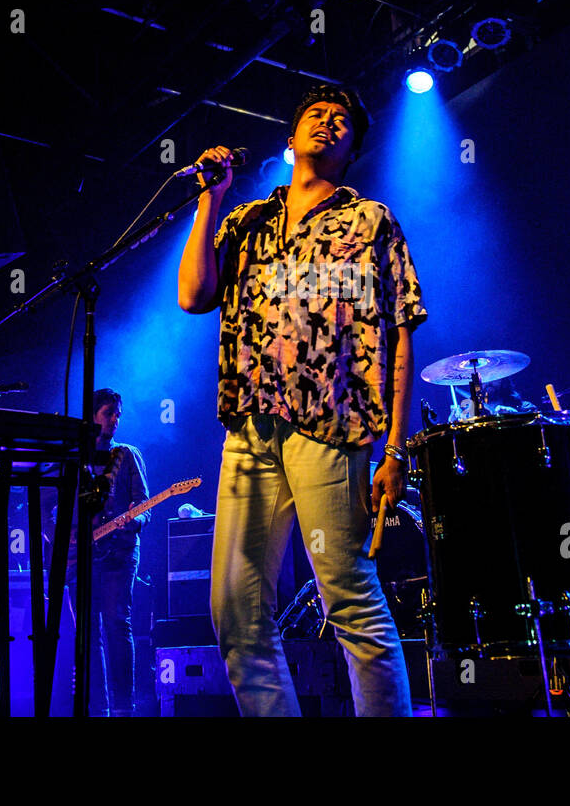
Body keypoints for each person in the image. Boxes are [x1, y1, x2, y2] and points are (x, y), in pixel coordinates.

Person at [177, 84, 426, 716]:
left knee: (347, 598)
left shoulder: (370, 219)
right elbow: (194, 295)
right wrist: (212, 200)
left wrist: (395, 446)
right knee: (235, 609)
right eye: (316, 115)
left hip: (331, 425)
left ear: (351, 150)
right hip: (249, 426)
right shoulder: (246, 220)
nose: (329, 122)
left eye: (342, 121)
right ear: (290, 140)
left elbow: (400, 332)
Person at [55, 387, 149, 716]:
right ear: (92, 416)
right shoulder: (74, 459)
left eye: (118, 414)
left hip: (119, 556)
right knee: (87, 634)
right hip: (79, 557)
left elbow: (145, 507)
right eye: (109, 412)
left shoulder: (127, 455)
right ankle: (97, 709)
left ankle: (124, 709)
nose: (115, 420)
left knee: (116, 624)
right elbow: (53, 510)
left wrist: (132, 522)